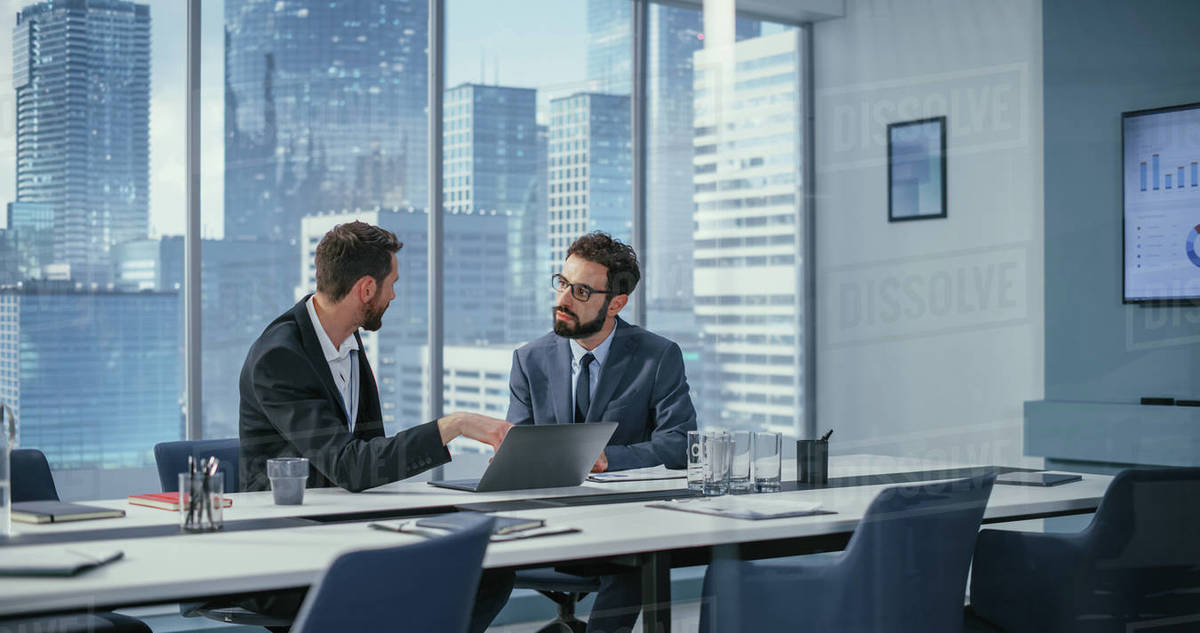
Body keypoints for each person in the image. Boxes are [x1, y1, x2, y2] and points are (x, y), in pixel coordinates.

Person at [238, 220, 513, 632]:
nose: (394, 295)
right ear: (366, 289)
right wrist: (454, 425)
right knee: (455, 576)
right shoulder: (280, 357)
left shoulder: (347, 340)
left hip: (349, 520)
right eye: (392, 285)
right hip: (292, 543)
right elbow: (351, 466)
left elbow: (369, 453)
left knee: (489, 571)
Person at [506, 232, 698, 633]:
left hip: (625, 526)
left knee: (635, 567)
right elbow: (517, 445)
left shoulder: (657, 356)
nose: (563, 300)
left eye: (580, 291)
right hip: (546, 524)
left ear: (616, 303)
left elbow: (680, 443)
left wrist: (610, 458)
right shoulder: (529, 360)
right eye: (562, 283)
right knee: (474, 562)